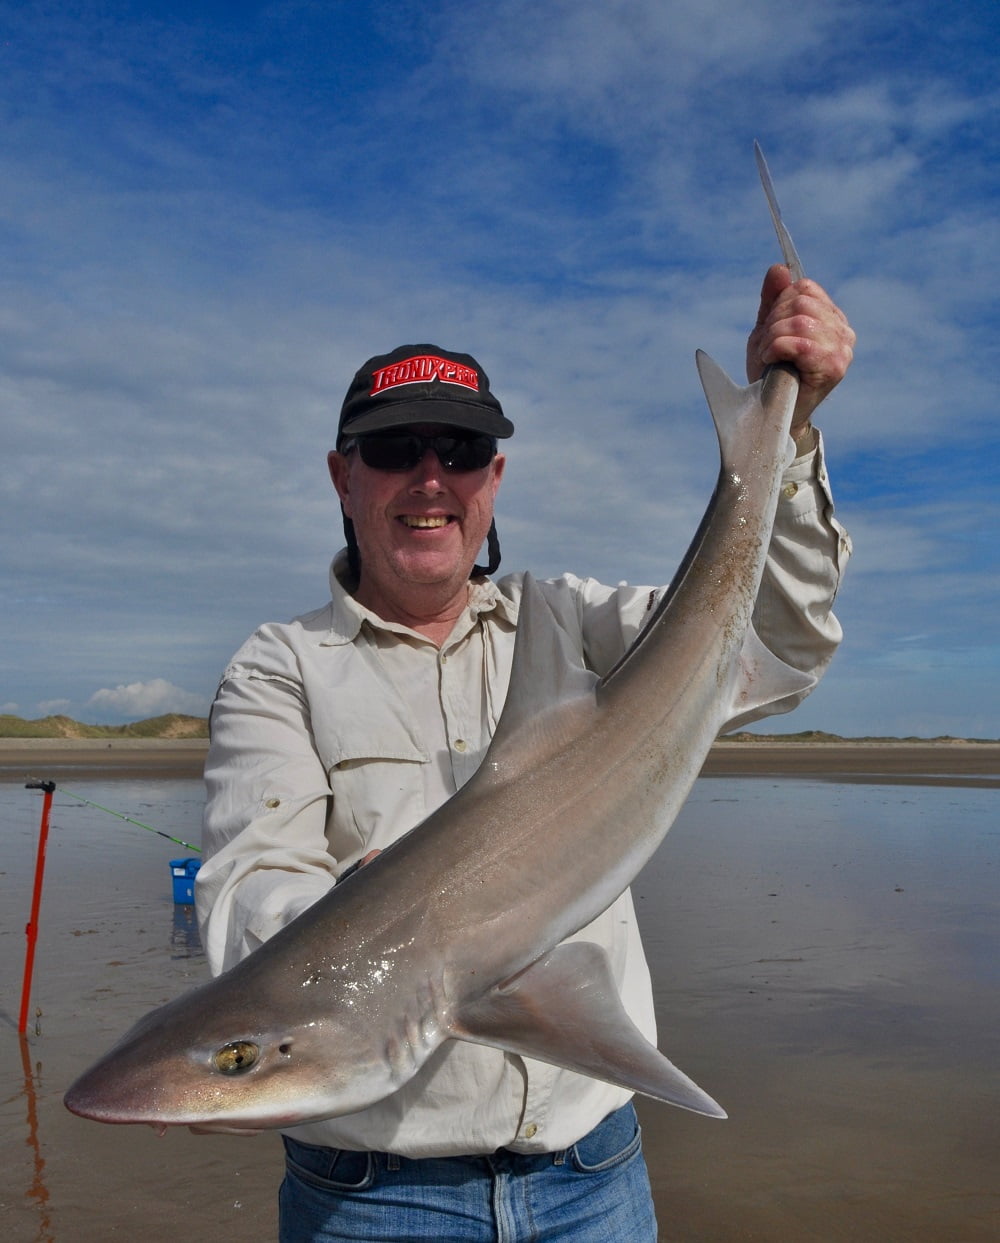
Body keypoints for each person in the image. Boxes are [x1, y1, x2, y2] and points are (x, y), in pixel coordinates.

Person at [195, 263, 855, 1242]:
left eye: (461, 450)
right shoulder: (278, 667)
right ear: (342, 476)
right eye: (394, 449)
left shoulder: (570, 623)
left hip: (591, 1178)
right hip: (374, 1198)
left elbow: (776, 641)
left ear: (493, 481)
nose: (430, 478)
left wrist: (785, 437)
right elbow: (252, 882)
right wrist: (388, 944)